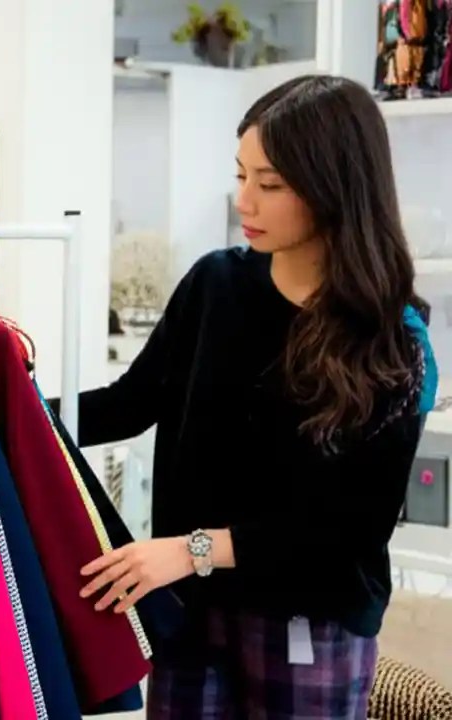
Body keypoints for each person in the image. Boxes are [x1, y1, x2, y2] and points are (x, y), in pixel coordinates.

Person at [73, 74, 437, 718]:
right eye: (241, 176)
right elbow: (129, 403)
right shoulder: (214, 285)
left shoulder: (393, 342)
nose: (245, 200)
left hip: (310, 622)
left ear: (333, 188)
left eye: (270, 184)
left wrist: (191, 550)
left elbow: (347, 532)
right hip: (194, 608)